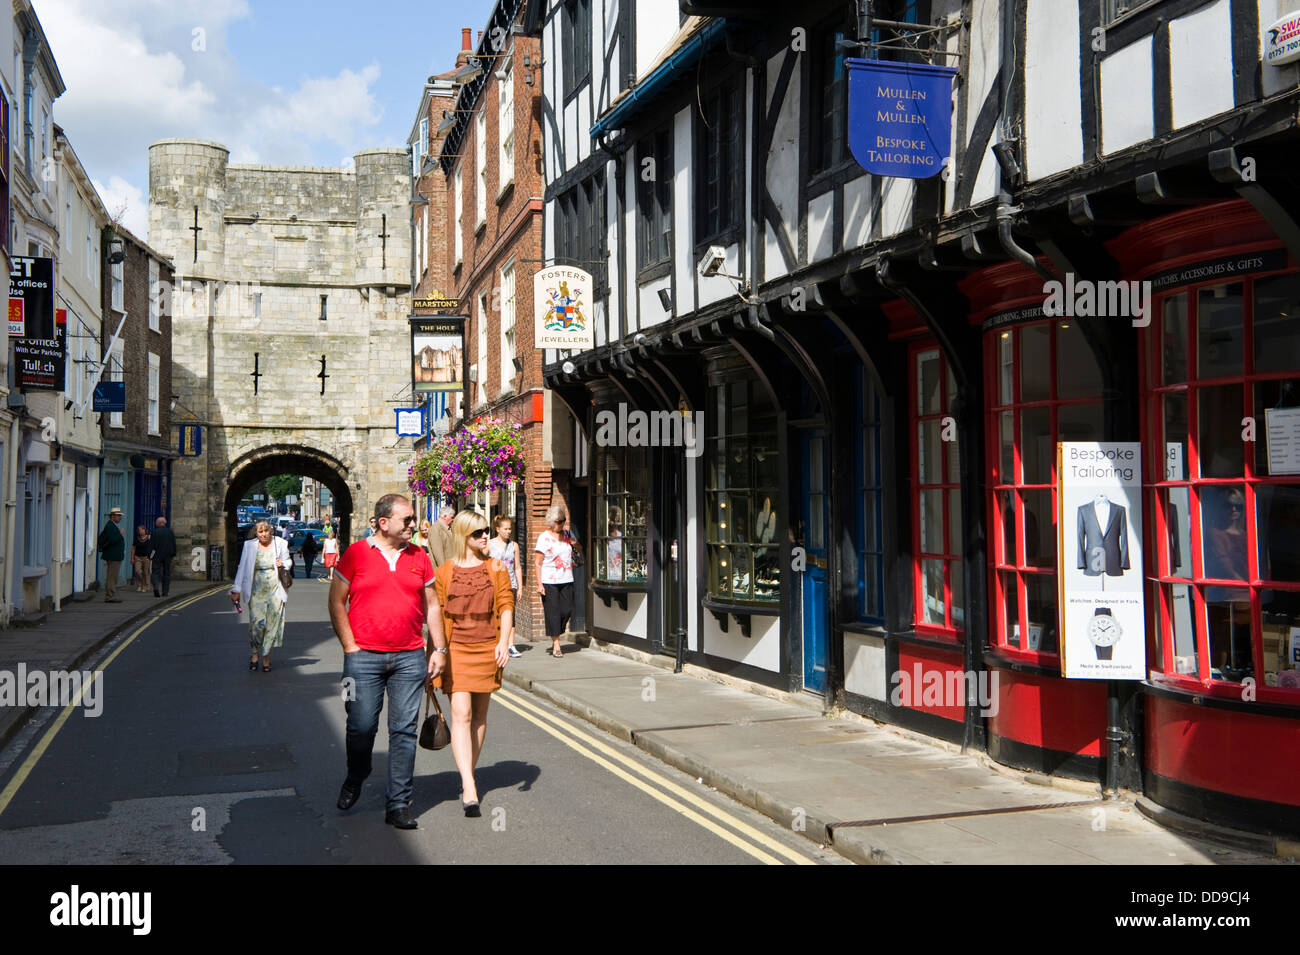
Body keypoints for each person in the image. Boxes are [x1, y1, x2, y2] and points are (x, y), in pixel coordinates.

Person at [329, 494, 442, 830]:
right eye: (406, 520)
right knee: (360, 727)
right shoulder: (356, 554)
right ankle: (357, 774)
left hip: (409, 657)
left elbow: (433, 606)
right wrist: (350, 647)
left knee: (403, 731)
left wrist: (438, 650)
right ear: (383, 523)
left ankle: (398, 804)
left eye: (412, 519)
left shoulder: (419, 556)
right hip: (362, 658)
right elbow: (336, 601)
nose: (413, 524)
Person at [430, 510, 514, 816]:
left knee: (479, 716)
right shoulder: (445, 573)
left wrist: (504, 642)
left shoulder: (496, 569)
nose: (484, 537)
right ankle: (468, 785)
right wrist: (435, 653)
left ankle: (468, 772)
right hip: (456, 650)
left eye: (486, 532)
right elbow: (436, 615)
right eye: (478, 532)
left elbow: (506, 606)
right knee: (461, 714)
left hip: (487, 648)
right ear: (464, 535)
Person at [230, 520, 291, 672]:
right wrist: (236, 589)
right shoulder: (249, 546)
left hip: (275, 590)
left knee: (272, 625)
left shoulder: (280, 543)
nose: (264, 534)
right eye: (260, 532)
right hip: (256, 590)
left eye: (266, 531)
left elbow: (288, 561)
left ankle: (266, 657)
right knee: (257, 624)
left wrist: (282, 563)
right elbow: (242, 567)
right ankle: (255, 653)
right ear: (256, 534)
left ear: (271, 531)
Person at [534, 504, 579, 658]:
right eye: (559, 521)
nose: (562, 524)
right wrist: (539, 584)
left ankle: (556, 631)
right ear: (551, 521)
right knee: (553, 613)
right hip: (549, 581)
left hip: (567, 578)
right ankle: (556, 645)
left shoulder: (568, 534)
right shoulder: (543, 538)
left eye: (563, 520)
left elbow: (579, 548)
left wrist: (575, 544)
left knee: (567, 610)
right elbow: (538, 563)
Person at [488, 515, 523, 657]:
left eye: (510, 529)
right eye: (505, 529)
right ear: (498, 529)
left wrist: (520, 586)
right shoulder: (489, 545)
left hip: (510, 585)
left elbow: (517, 567)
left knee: (510, 613)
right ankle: (496, 641)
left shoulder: (514, 546)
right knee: (494, 613)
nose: (508, 531)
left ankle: (511, 645)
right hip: (493, 584)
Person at [97, 507, 126, 603]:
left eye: (120, 516)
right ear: (112, 516)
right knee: (112, 577)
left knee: (112, 576)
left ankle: (110, 595)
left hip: (115, 556)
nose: (120, 518)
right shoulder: (110, 526)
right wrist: (120, 534)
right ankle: (110, 596)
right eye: (118, 516)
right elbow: (112, 540)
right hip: (113, 556)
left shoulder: (112, 525)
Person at [149, 516, 178, 597]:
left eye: (156, 522)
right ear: (164, 523)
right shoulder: (170, 532)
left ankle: (156, 588)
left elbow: (151, 546)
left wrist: (150, 556)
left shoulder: (154, 532)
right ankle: (165, 592)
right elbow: (173, 544)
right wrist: (173, 554)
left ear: (159, 523)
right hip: (168, 556)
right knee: (167, 573)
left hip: (157, 556)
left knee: (155, 573)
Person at [131, 525, 152, 593]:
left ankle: (145, 586)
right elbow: (133, 549)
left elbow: (153, 548)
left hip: (146, 557)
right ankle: (140, 585)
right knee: (137, 571)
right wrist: (132, 558)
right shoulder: (137, 539)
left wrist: (151, 557)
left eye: (140, 530)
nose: (139, 531)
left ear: (144, 530)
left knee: (146, 572)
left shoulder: (149, 538)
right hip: (138, 557)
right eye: (139, 530)